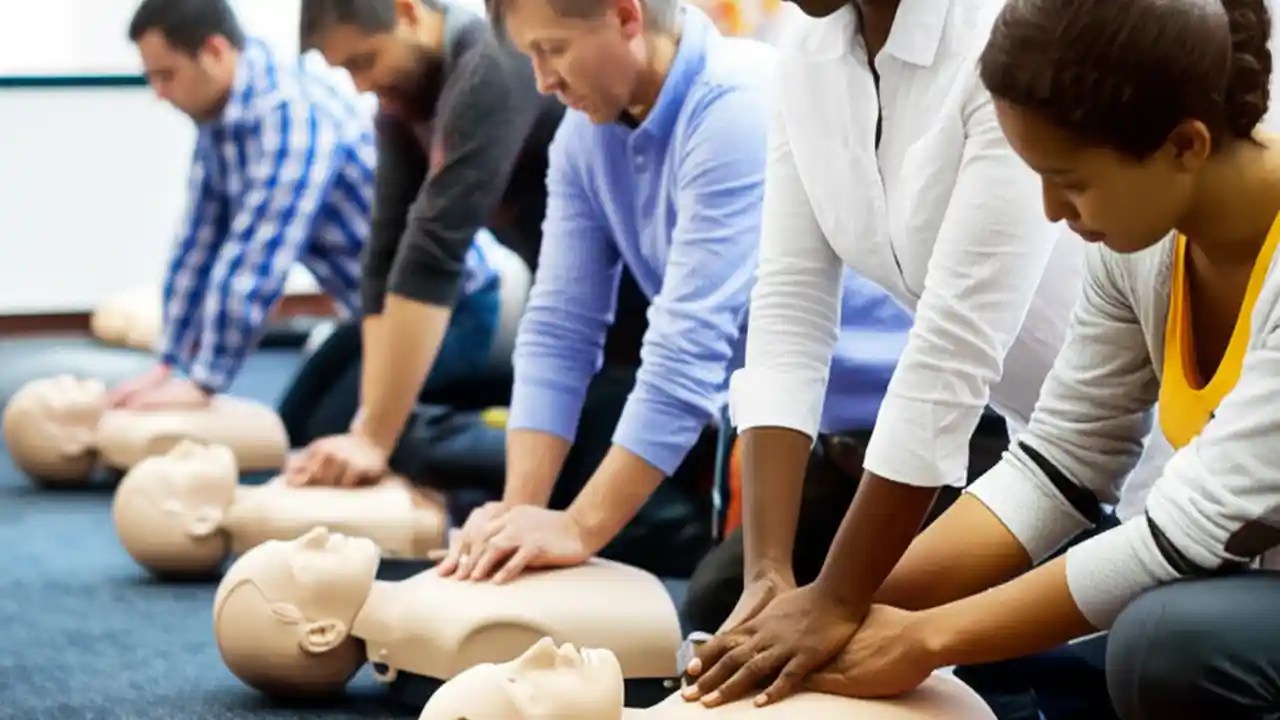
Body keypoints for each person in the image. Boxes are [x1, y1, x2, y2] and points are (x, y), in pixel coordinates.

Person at [690, 0, 1280, 718]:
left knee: (1163, 645)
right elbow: (1058, 467)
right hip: (1227, 574)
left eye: (1069, 181)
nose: (1051, 210)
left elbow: (1185, 535)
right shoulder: (1143, 249)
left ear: (1184, 146)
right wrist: (836, 611)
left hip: (1216, 581)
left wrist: (924, 636)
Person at [433, 0, 917, 583]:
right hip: (812, 437)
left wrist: (579, 527)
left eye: (552, 50)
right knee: (722, 603)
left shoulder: (738, 104)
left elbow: (686, 351)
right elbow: (559, 328)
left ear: (625, 16)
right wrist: (518, 512)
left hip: (918, 426)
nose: (542, 81)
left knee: (813, 616)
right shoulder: (583, 139)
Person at [282, 0, 567, 485]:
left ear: (407, 13)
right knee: (340, 428)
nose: (360, 85)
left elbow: (435, 249)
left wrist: (374, 439)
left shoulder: (490, 63)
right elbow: (385, 255)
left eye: (364, 61)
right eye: (346, 71)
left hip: (625, 324)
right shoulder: (401, 107)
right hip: (566, 315)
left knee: (400, 444)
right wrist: (369, 425)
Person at [110, 0, 377, 411]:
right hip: (371, 315)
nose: (159, 94)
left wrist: (202, 383)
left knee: (330, 434)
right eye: (152, 78)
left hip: (446, 311)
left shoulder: (289, 113)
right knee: (296, 423)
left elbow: (256, 261)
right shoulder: (219, 118)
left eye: (167, 75)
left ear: (214, 51)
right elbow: (196, 247)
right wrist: (169, 364)